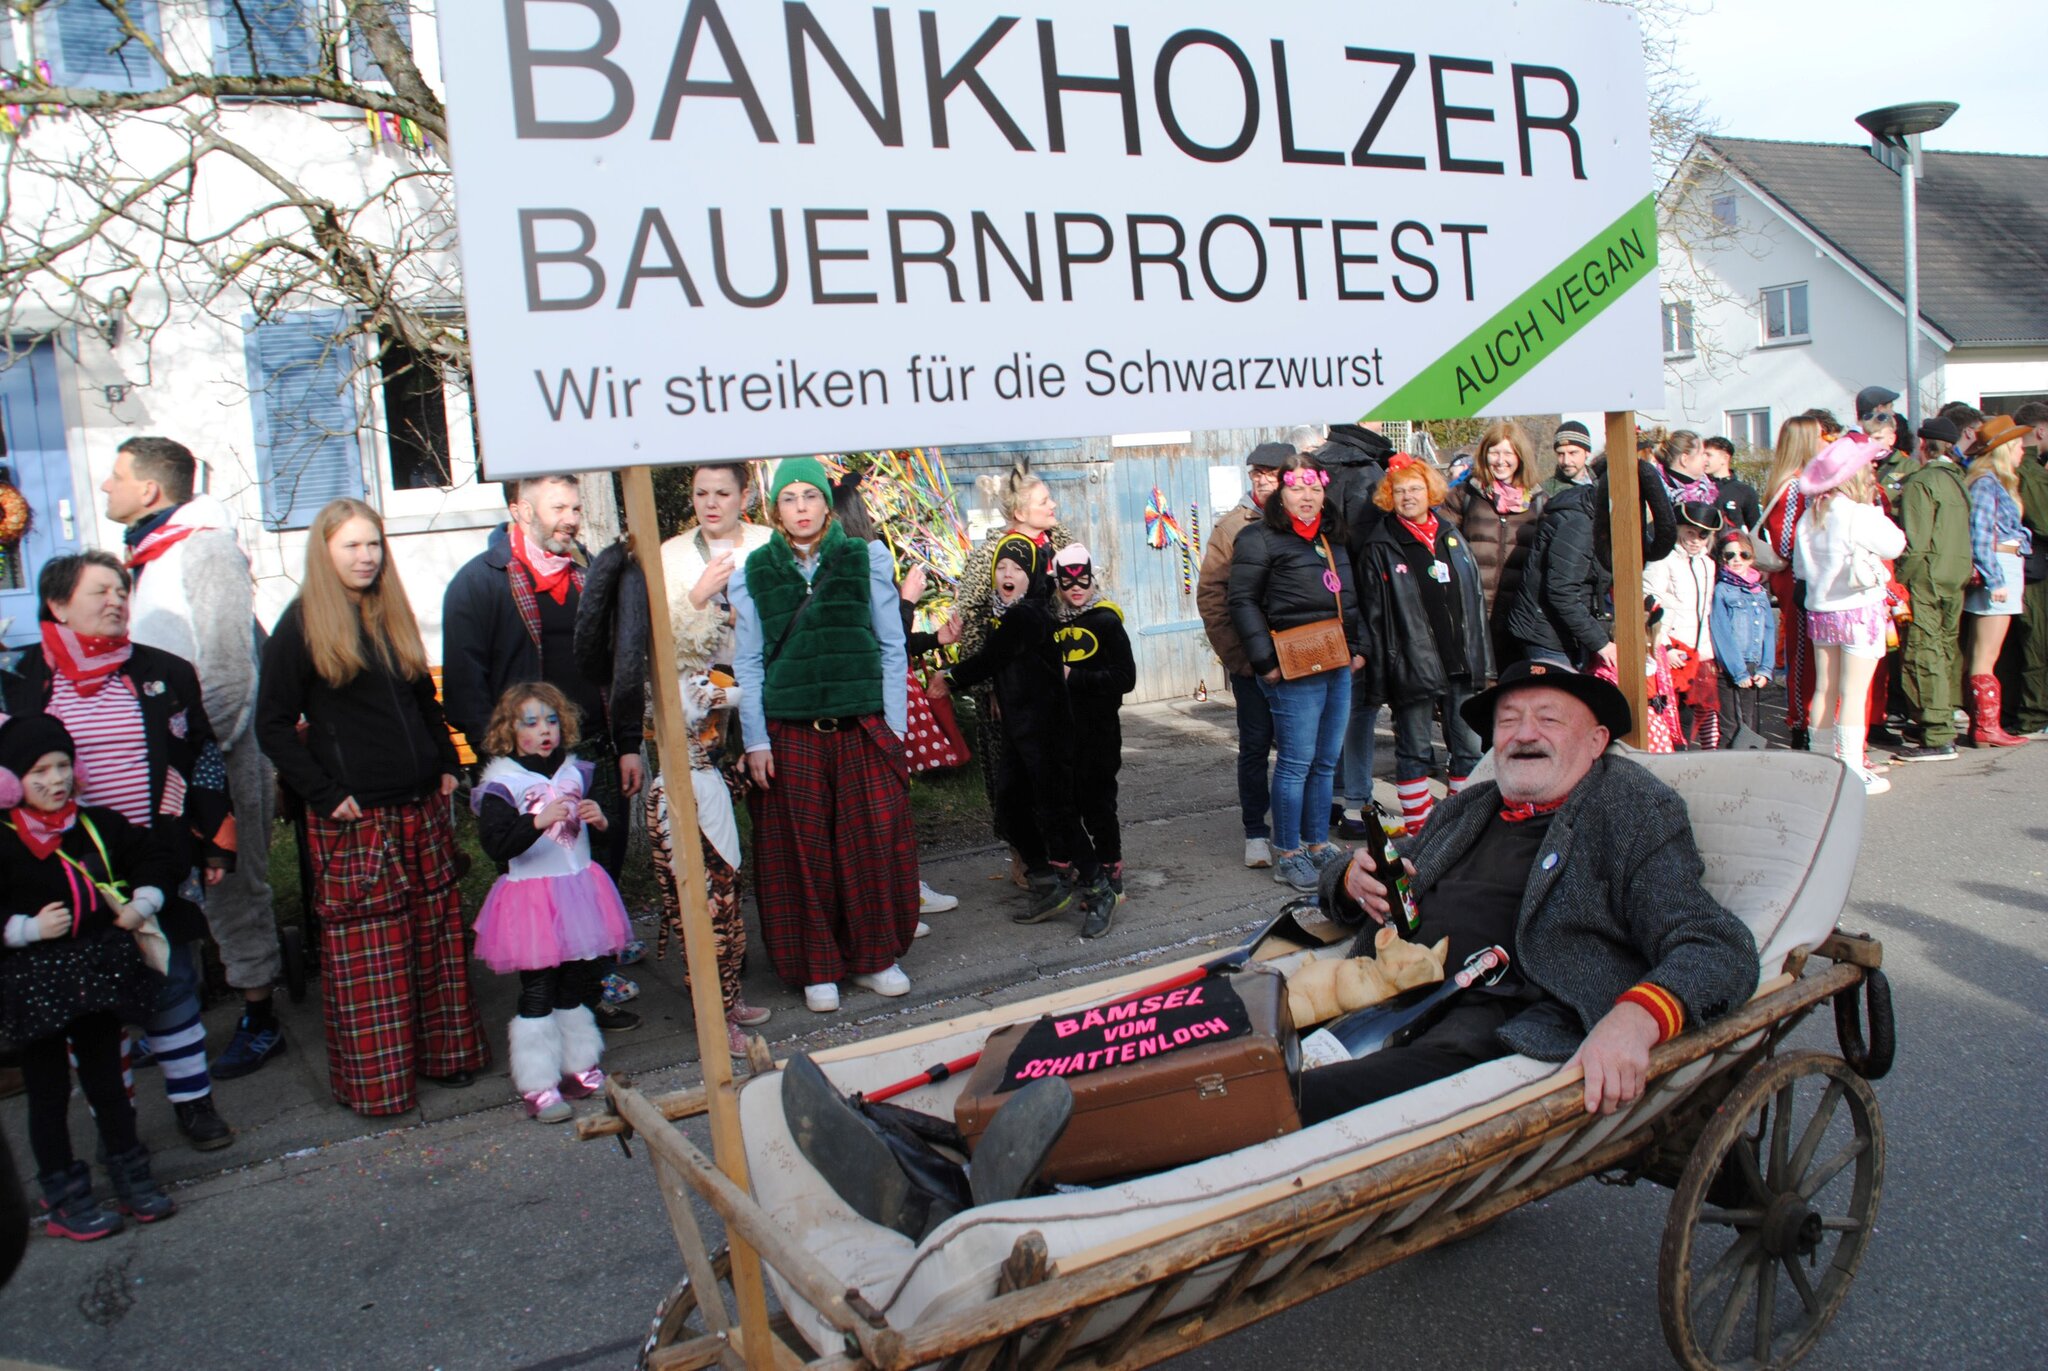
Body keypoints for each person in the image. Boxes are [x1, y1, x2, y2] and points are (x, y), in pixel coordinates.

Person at [1299, 661, 1758, 1123]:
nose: (1524, 733)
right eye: (1508, 720)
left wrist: (1636, 1019)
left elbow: (1716, 946)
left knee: (1296, 1098)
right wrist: (1348, 879)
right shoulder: (1472, 806)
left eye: (1549, 718)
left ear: (1596, 741)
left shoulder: (1630, 810)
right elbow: (1380, 865)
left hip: (1495, 1020)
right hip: (1385, 993)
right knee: (1243, 1040)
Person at [256, 498, 489, 1116]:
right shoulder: (301, 624)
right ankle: (380, 1086)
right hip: (358, 819)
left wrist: (448, 764)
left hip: (420, 808)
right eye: (351, 546)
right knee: (372, 957)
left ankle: (449, 1058)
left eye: (373, 545)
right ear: (325, 552)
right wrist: (327, 794)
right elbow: (272, 725)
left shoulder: (391, 614)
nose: (365, 557)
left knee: (436, 938)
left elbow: (422, 698)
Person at [0, 552, 238, 1152]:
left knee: (173, 981)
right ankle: (119, 1122)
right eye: (99, 591)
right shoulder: (23, 681)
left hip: (156, 854)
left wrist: (215, 842)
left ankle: (194, 1105)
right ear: (57, 605)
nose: (116, 600)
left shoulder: (165, 672)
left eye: (121, 590)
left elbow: (203, 756)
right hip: (64, 870)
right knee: (91, 1004)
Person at [101, 436, 284, 1081]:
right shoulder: (150, 555)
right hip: (176, 758)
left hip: (221, 756)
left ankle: (261, 1017)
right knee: (181, 887)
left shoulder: (204, 550)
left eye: (115, 476)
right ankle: (179, 1015)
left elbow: (231, 666)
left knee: (235, 885)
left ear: (150, 489)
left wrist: (211, 761)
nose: (105, 488)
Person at [442, 474, 641, 1029]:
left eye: (576, 507)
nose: (572, 519)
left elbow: (622, 667)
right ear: (519, 511)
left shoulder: (590, 577)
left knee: (595, 874)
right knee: (541, 889)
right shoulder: (479, 585)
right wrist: (506, 764)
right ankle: (545, 1005)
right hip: (528, 770)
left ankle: (589, 992)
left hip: (593, 755)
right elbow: (464, 687)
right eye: (559, 508)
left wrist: (628, 745)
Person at [731, 458, 919, 1011]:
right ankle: (818, 966)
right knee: (803, 853)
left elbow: (891, 647)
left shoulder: (866, 559)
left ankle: (875, 957)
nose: (801, 509)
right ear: (776, 510)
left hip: (860, 726)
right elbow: (748, 666)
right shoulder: (754, 571)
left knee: (870, 845)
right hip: (791, 733)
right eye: (788, 500)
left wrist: (894, 728)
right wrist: (757, 742)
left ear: (824, 503)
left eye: (809, 497)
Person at [0, 715, 180, 1240]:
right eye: (38, 772)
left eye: (62, 767)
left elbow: (154, 856)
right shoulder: (4, 841)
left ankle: (131, 1174)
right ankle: (63, 1195)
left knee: (107, 1081)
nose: (55, 781)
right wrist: (26, 929)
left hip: (97, 974)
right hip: (34, 983)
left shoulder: (98, 825)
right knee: (49, 1091)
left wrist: (143, 901)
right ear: (11, 781)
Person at [636, 462, 777, 1046]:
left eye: (723, 492)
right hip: (691, 732)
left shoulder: (767, 546)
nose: (710, 503)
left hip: (753, 718)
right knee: (702, 882)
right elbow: (655, 639)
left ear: (745, 495)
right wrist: (697, 599)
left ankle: (743, 982)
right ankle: (713, 1000)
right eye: (700, 493)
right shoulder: (668, 556)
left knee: (737, 872)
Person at [936, 536, 1116, 935]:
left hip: (1048, 732)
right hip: (1021, 733)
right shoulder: (1010, 615)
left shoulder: (1028, 615)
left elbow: (987, 660)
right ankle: (1046, 883)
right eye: (1002, 567)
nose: (1007, 574)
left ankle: (1100, 890)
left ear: (1032, 575)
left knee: (1059, 814)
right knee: (1012, 810)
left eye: (1017, 568)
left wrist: (946, 677)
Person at [469, 684, 631, 1123]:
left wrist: (602, 822)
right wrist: (536, 821)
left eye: (552, 720)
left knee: (574, 982)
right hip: (531, 899)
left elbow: (610, 835)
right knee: (538, 987)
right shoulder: (503, 783)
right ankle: (537, 1081)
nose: (545, 730)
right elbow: (497, 845)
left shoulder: (576, 772)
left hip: (579, 892)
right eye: (531, 722)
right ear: (509, 731)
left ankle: (578, 1064)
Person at [1228, 450, 1364, 892]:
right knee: (1295, 763)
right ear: (1280, 492)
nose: (1306, 496)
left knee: (1325, 762)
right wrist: (1265, 660)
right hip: (1292, 664)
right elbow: (1241, 601)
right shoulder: (1258, 538)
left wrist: (1358, 646)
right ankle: (1288, 851)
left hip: (1336, 659)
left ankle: (1316, 841)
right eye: (1297, 487)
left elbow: (1350, 596)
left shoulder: (1331, 537)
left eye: (1314, 487)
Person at [1358, 454, 1491, 832]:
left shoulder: (1451, 534)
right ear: (1389, 496)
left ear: (1429, 490)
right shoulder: (1380, 544)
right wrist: (1388, 666)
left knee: (1468, 748)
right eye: (1399, 491)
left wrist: (1481, 657)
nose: (1408, 497)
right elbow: (1374, 615)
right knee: (1415, 751)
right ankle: (1420, 831)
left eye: (1415, 488)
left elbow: (1474, 600)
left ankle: (1462, 826)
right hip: (1412, 664)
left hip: (1459, 660)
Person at [953, 467, 1071, 882]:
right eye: (1044, 501)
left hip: (1054, 685)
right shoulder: (991, 555)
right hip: (1008, 692)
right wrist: (988, 687)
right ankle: (1025, 859)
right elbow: (970, 621)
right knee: (1012, 780)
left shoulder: (1062, 545)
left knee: (1058, 774)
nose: (1053, 505)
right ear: (1019, 511)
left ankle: (1066, 856)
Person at [1793, 435, 1906, 791]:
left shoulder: (1810, 517)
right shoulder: (1859, 514)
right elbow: (1895, 544)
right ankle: (1853, 769)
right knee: (1854, 692)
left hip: (1822, 612)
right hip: (1859, 611)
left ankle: (1822, 765)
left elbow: (1800, 569)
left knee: (1825, 688)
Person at [1199, 443, 1289, 869]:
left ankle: (1303, 828)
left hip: (1303, 660)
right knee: (1255, 745)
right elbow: (1212, 595)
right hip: (1252, 662)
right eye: (1256, 474)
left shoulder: (1306, 523)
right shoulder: (1232, 528)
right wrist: (1239, 656)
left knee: (1300, 747)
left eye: (1270, 474)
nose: (1261, 481)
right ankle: (1256, 831)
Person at [1507, 457, 1678, 673]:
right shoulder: (1580, 525)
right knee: (1561, 702)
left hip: (1569, 631)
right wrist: (1601, 643)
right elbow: (1562, 591)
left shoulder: (1609, 522)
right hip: (1546, 633)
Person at [1307, 424, 1389, 845]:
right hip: (1361, 608)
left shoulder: (1314, 470)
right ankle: (1358, 803)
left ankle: (1334, 800)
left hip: (1322, 606)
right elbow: (1374, 555)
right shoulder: (1370, 473)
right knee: (1359, 709)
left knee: (1331, 707)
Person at [1051, 544, 1135, 903]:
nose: (1076, 587)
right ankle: (1077, 867)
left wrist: (1076, 678)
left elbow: (1125, 678)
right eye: (1067, 581)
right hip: (1062, 731)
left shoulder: (1106, 620)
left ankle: (1109, 867)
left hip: (1099, 731)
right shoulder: (1051, 622)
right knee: (1064, 800)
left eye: (1082, 579)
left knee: (1099, 801)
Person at [1893, 418, 1973, 761]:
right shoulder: (1958, 481)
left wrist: (1894, 582)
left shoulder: (1921, 482)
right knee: (1943, 652)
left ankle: (1937, 734)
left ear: (1922, 445)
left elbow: (1915, 543)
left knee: (1923, 655)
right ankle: (1940, 720)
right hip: (1954, 577)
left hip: (1926, 579)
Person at [1447, 420, 1546, 674]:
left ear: (1520, 457)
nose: (1501, 460)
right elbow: (1441, 548)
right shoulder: (1465, 495)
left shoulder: (1539, 503)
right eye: (1495, 452)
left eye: (1508, 453)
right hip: (1471, 612)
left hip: (1518, 616)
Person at [1961, 416, 2033, 748]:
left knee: (1983, 652)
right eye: (2018, 445)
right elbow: (1980, 535)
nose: (2022, 450)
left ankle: (1984, 725)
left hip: (2004, 564)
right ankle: (1986, 727)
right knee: (1986, 653)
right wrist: (1995, 578)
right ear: (2004, 449)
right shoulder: (1988, 482)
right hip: (1999, 567)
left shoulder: (1992, 481)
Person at [1758, 417, 1823, 750]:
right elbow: (1785, 543)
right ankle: (1799, 720)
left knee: (1808, 653)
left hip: (1801, 576)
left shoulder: (1796, 481)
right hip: (1795, 578)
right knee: (1801, 653)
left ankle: (1806, 718)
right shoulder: (1794, 484)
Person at [1644, 502, 1724, 749]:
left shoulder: (1707, 564)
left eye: (1703, 535)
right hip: (1673, 648)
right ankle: (1676, 759)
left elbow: (1706, 611)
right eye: (1691, 532)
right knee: (1673, 712)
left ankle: (1701, 759)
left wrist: (1710, 651)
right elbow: (1648, 602)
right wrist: (1665, 647)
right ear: (1679, 529)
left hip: (1700, 651)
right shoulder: (1663, 560)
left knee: (1702, 710)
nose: (1696, 540)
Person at [2001, 401, 2048, 740]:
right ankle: (2033, 714)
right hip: (2033, 567)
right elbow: (2044, 521)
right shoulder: (2029, 471)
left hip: (2017, 565)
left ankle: (2017, 709)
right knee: (2035, 642)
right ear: (2041, 431)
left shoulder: (2012, 467)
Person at [1709, 530, 1777, 737]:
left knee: (1750, 721)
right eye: (1730, 555)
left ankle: (1751, 763)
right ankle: (1730, 764)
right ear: (1722, 559)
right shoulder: (1722, 590)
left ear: (1751, 558)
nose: (1737, 560)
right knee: (1731, 726)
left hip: (1754, 663)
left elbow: (1769, 630)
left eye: (1743, 555)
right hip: (1732, 665)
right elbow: (1722, 633)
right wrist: (1738, 671)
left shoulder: (1759, 591)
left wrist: (1766, 668)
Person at [1702, 436, 1761, 530]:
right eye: (1702, 455)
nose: (1704, 459)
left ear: (1725, 458)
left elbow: (1756, 530)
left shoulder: (1744, 491)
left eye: (1708, 455)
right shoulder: (1698, 489)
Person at [1541, 421, 1595, 498]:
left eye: (1572, 453)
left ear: (1587, 453)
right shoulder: (1546, 493)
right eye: (1561, 454)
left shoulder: (1605, 484)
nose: (1566, 461)